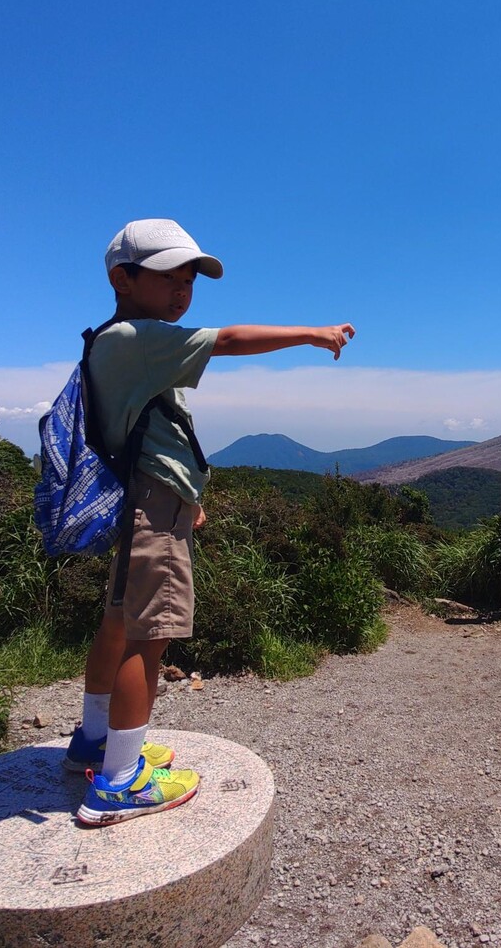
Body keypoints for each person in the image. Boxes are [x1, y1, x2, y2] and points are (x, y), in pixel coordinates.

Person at [67, 217, 354, 826]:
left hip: (143, 499)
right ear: (123, 277)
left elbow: (155, 431)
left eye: (190, 279)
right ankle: (119, 781)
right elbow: (226, 341)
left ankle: (95, 742)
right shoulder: (135, 340)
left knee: (119, 624)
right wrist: (312, 333)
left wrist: (188, 495)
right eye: (169, 275)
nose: (183, 290)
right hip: (149, 509)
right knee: (149, 637)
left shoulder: (120, 342)